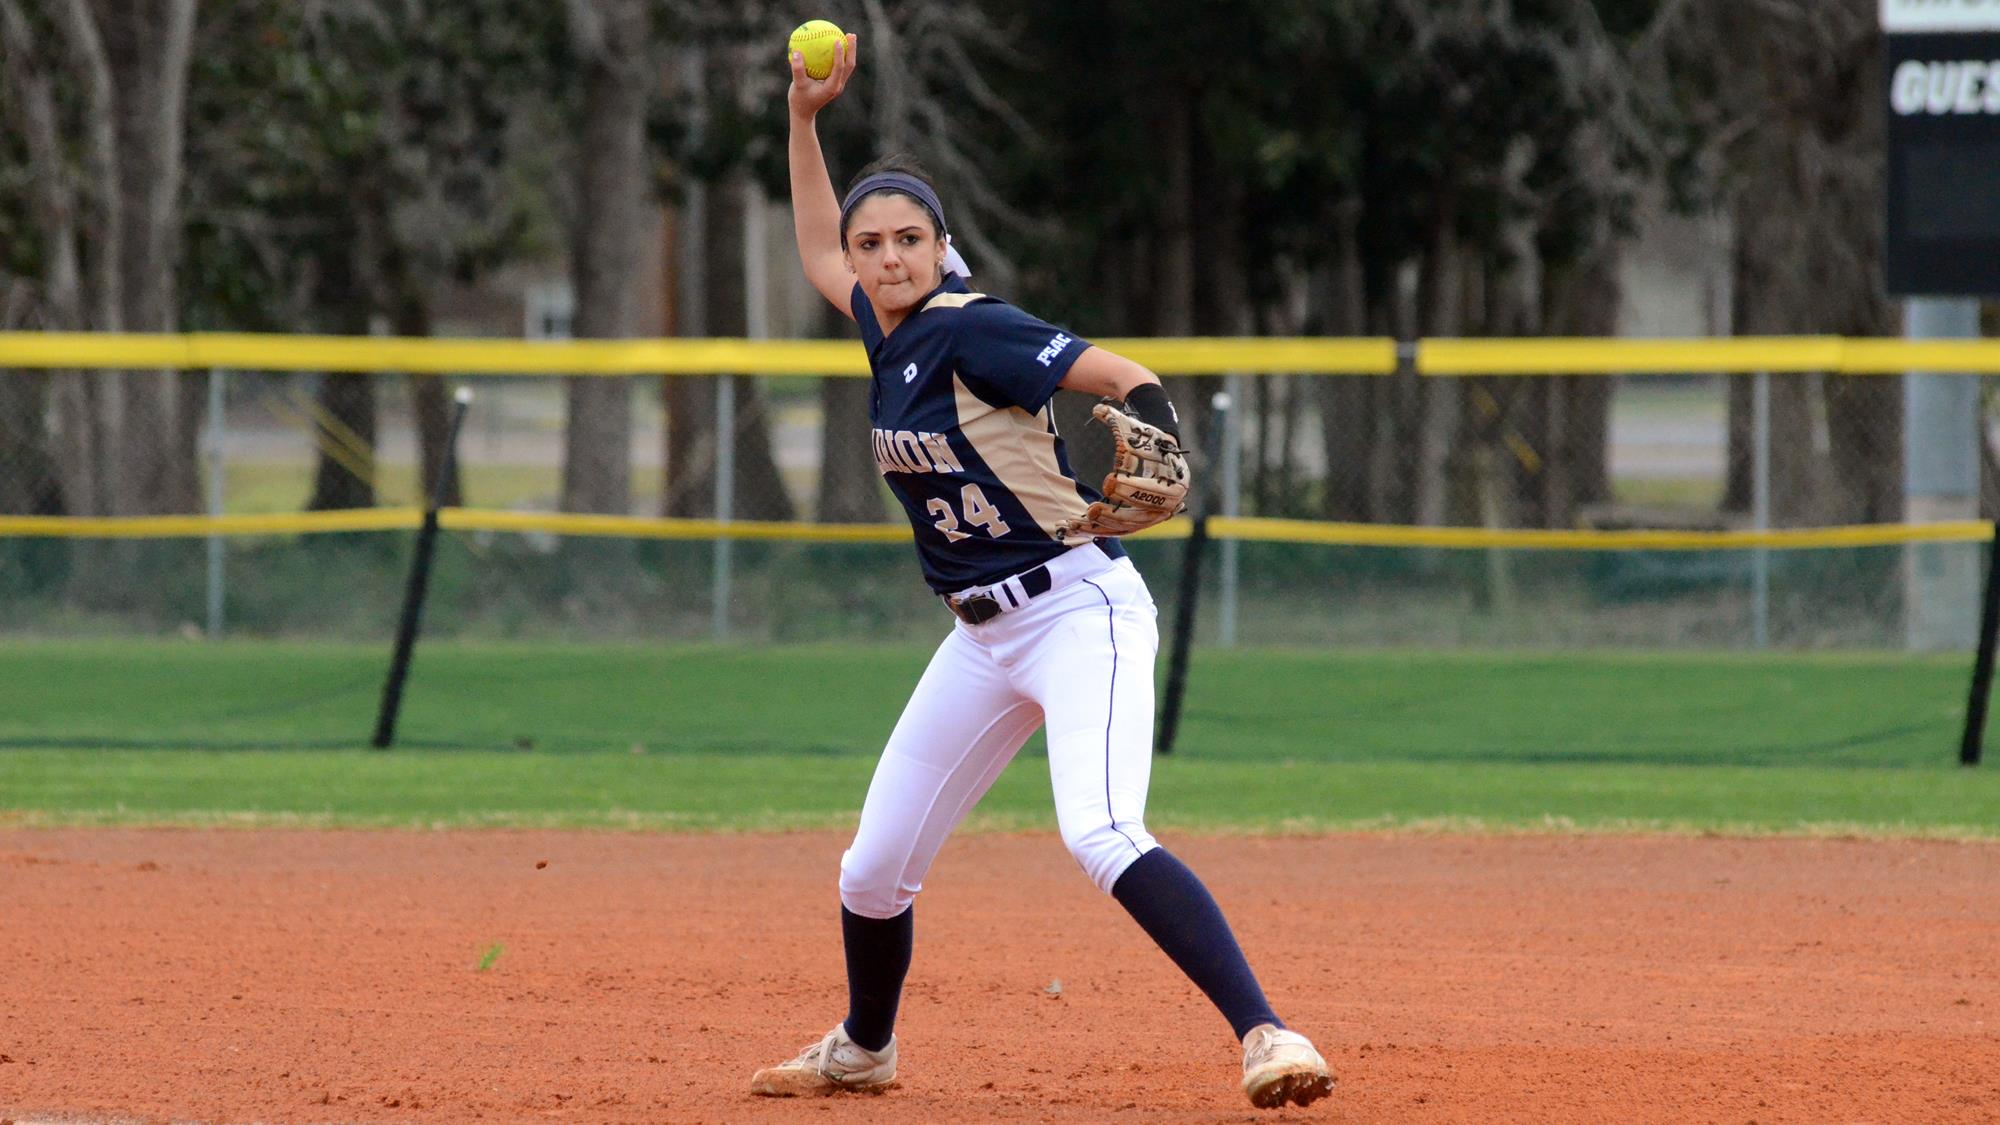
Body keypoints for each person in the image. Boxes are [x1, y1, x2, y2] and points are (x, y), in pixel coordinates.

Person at [748, 32, 1334, 1112]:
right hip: (977, 635)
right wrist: (802, 119)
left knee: (1100, 830)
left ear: (941, 247)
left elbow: (1124, 372)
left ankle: (1267, 1032)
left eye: (906, 240)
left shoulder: (974, 332)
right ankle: (864, 1048)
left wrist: (1155, 430)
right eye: (870, 242)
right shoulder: (886, 337)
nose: (883, 258)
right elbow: (814, 255)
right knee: (870, 872)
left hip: (1076, 613)